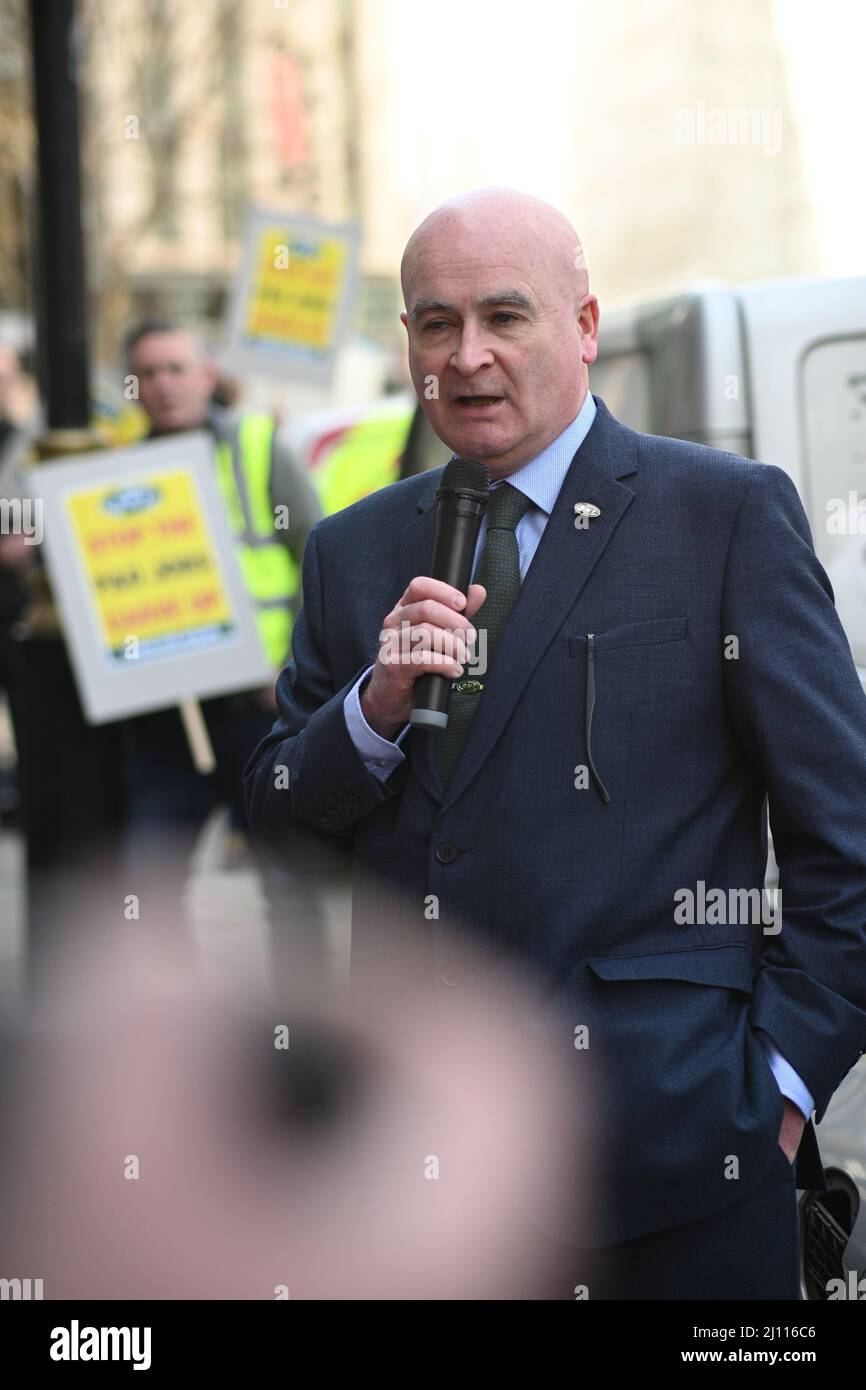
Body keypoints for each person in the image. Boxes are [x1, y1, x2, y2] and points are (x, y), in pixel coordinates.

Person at [242, 188, 866, 1299]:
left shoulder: (719, 515)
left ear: (582, 326)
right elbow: (279, 820)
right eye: (435, 323)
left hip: (678, 1164)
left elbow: (846, 836)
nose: (467, 355)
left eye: (504, 315)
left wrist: (775, 1087)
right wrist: (372, 712)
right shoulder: (353, 549)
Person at [120, 321, 325, 963]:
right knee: (146, 891)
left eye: (176, 368)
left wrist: (291, 671)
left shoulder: (257, 446)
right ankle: (184, 1044)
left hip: (258, 711)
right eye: (147, 373)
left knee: (286, 882)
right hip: (167, 717)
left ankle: (306, 1045)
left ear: (207, 375)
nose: (163, 385)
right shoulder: (115, 478)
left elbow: (321, 563)